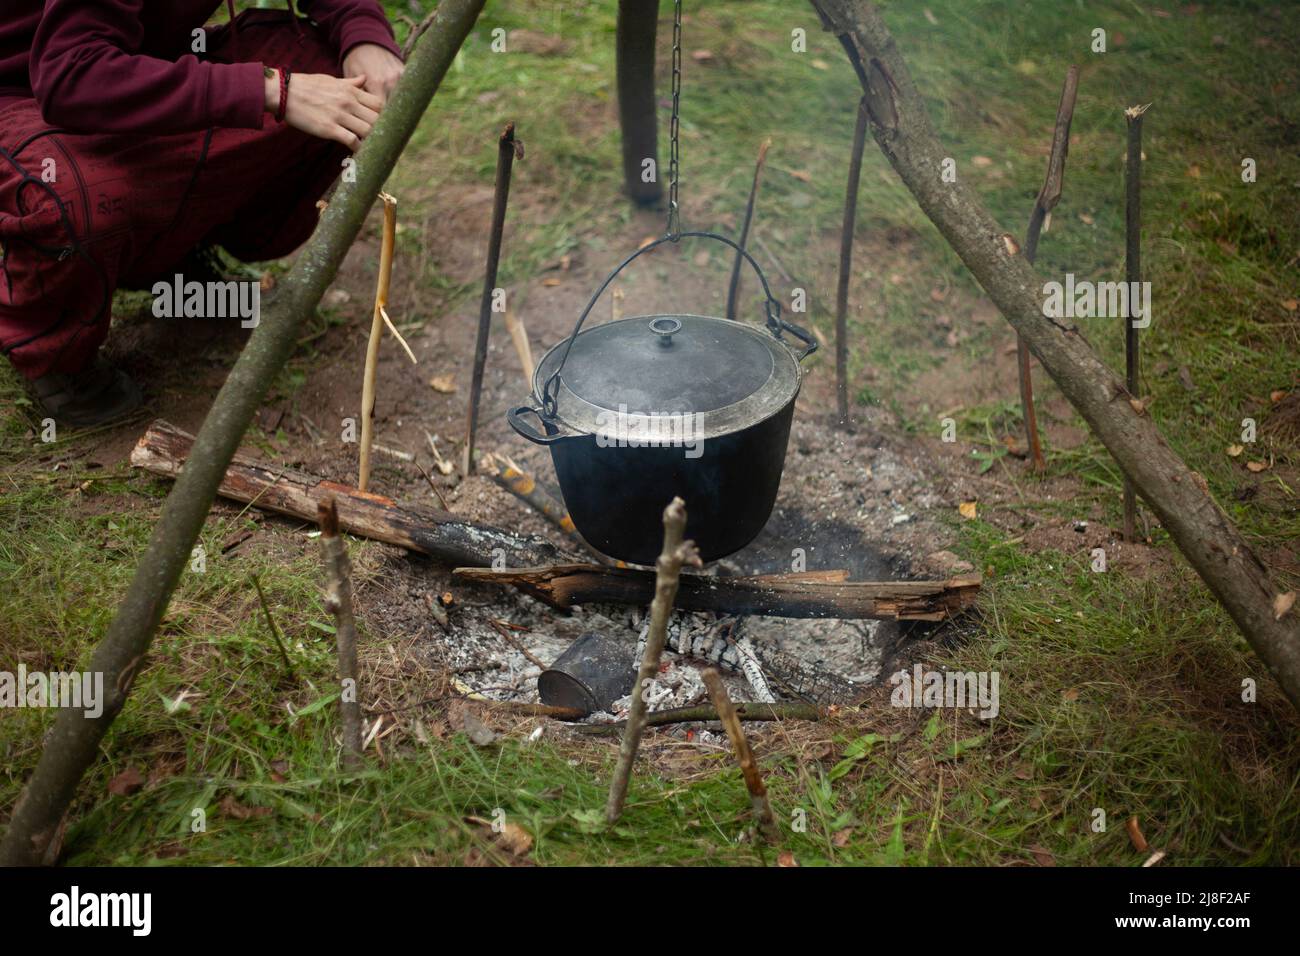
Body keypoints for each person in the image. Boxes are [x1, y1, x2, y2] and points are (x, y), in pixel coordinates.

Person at [0, 0, 405, 426]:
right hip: (21, 92)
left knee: (336, 77)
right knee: (79, 194)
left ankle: (171, 252)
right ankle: (56, 348)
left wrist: (364, 35)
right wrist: (273, 90)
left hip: (134, 63)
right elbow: (71, 75)